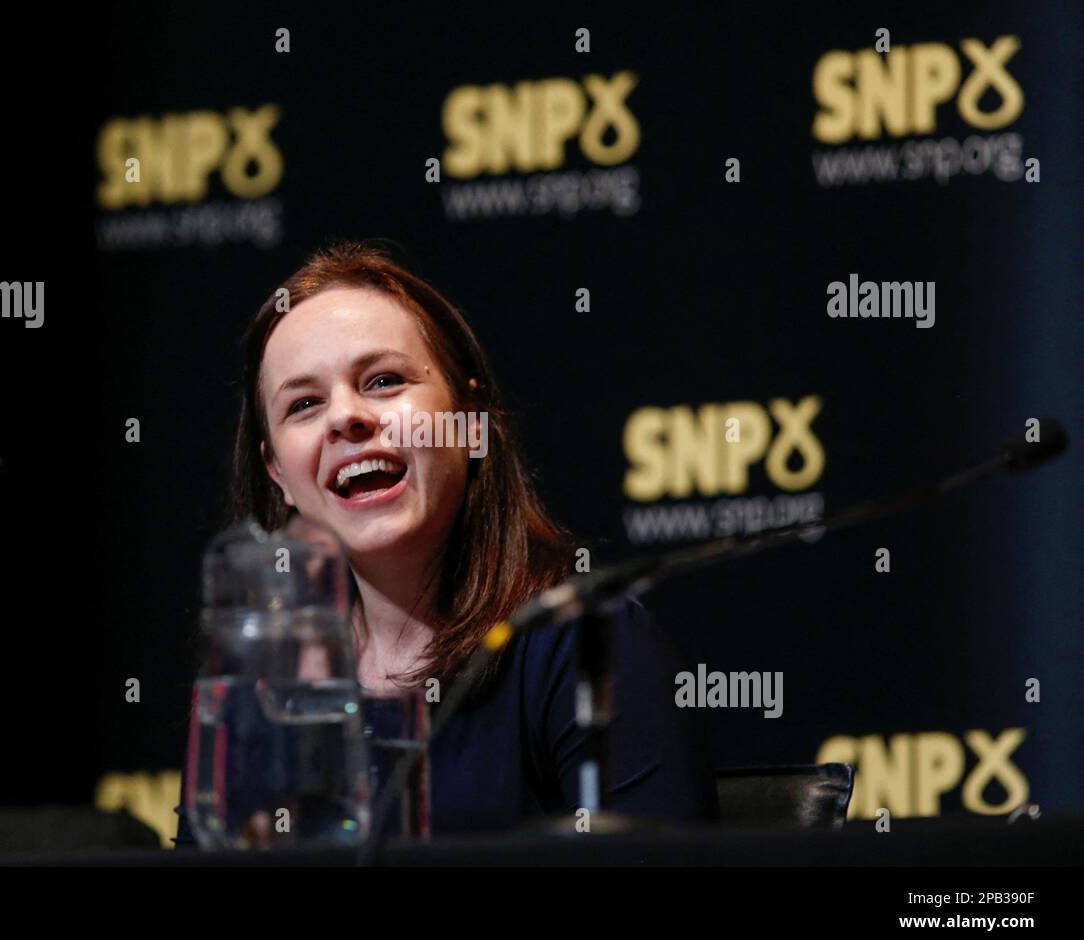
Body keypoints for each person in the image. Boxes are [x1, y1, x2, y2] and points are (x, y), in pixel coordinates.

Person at [173, 240, 718, 846]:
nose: (345, 418)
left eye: (382, 381)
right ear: (278, 472)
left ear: (470, 422)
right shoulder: (259, 687)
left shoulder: (584, 646)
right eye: (304, 404)